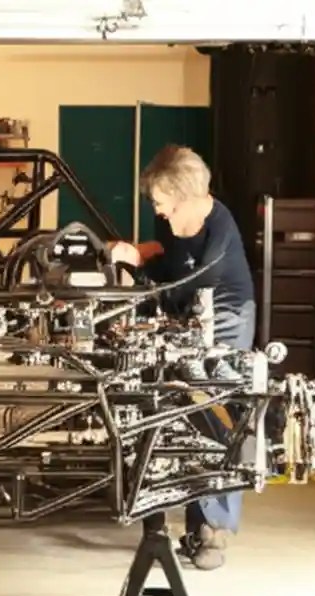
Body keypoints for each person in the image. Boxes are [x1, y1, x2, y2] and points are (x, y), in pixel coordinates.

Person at [110, 145, 256, 571]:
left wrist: (136, 267)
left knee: (220, 410)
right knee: (178, 405)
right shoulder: (173, 218)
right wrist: (142, 254)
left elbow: (183, 286)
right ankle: (171, 502)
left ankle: (214, 530)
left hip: (225, 316)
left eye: (160, 202)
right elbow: (171, 265)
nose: (157, 210)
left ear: (185, 197)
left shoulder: (220, 234)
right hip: (187, 307)